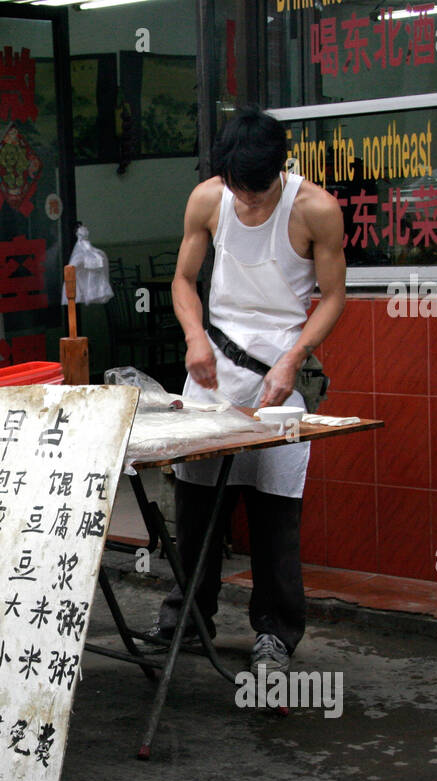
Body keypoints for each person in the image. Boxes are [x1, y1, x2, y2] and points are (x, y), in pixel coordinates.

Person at [149, 106, 346, 677]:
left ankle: (276, 633)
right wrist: (193, 337)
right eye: (241, 192)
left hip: (279, 375)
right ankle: (186, 618)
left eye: (258, 194)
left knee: (274, 511)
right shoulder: (207, 200)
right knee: (195, 503)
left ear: (279, 171)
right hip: (212, 369)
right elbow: (184, 279)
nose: (250, 204)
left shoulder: (316, 209)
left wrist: (293, 358)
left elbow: (333, 296)